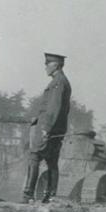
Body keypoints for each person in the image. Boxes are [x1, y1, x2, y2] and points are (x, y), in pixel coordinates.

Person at [22, 52, 72, 203]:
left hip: (48, 128)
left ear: (55, 65)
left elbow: (54, 108)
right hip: (54, 129)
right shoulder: (62, 81)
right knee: (52, 162)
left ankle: (28, 195)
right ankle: (50, 196)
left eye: (47, 64)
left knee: (34, 157)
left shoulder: (58, 82)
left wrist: (46, 128)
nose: (45, 67)